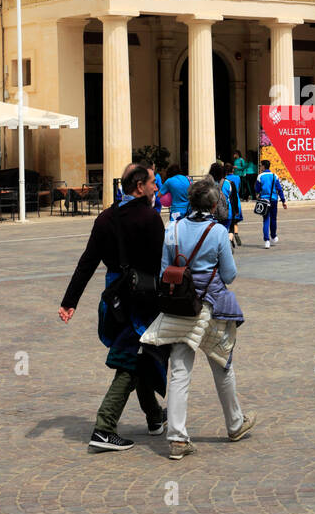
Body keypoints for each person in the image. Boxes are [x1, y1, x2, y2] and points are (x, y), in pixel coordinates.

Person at [141, 178, 256, 461]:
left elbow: (163, 272)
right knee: (222, 363)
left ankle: (178, 438)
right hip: (212, 306)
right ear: (215, 205)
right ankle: (235, 423)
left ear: (190, 201)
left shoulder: (174, 228)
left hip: (180, 306)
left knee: (180, 370)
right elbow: (229, 275)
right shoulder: (217, 231)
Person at [58, 162, 168, 452]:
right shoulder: (150, 218)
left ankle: (155, 417)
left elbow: (87, 263)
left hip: (115, 298)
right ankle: (104, 428)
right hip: (143, 301)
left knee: (139, 354)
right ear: (140, 186)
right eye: (153, 182)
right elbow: (161, 266)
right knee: (129, 361)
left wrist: (70, 302)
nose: (157, 187)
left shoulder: (106, 218)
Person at [255, 160, 286, 247]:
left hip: (264, 201)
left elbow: (257, 189)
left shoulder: (260, 176)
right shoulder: (274, 176)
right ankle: (273, 236)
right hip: (273, 200)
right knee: (273, 219)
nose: (260, 167)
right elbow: (279, 189)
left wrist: (259, 193)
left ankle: (266, 241)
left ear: (264, 166)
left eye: (260, 165)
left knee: (266, 220)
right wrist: (283, 201)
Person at [212, 161, 243, 246]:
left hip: (213, 211)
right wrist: (236, 210)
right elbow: (234, 198)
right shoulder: (229, 183)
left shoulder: (210, 184)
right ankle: (229, 239)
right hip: (227, 210)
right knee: (230, 227)